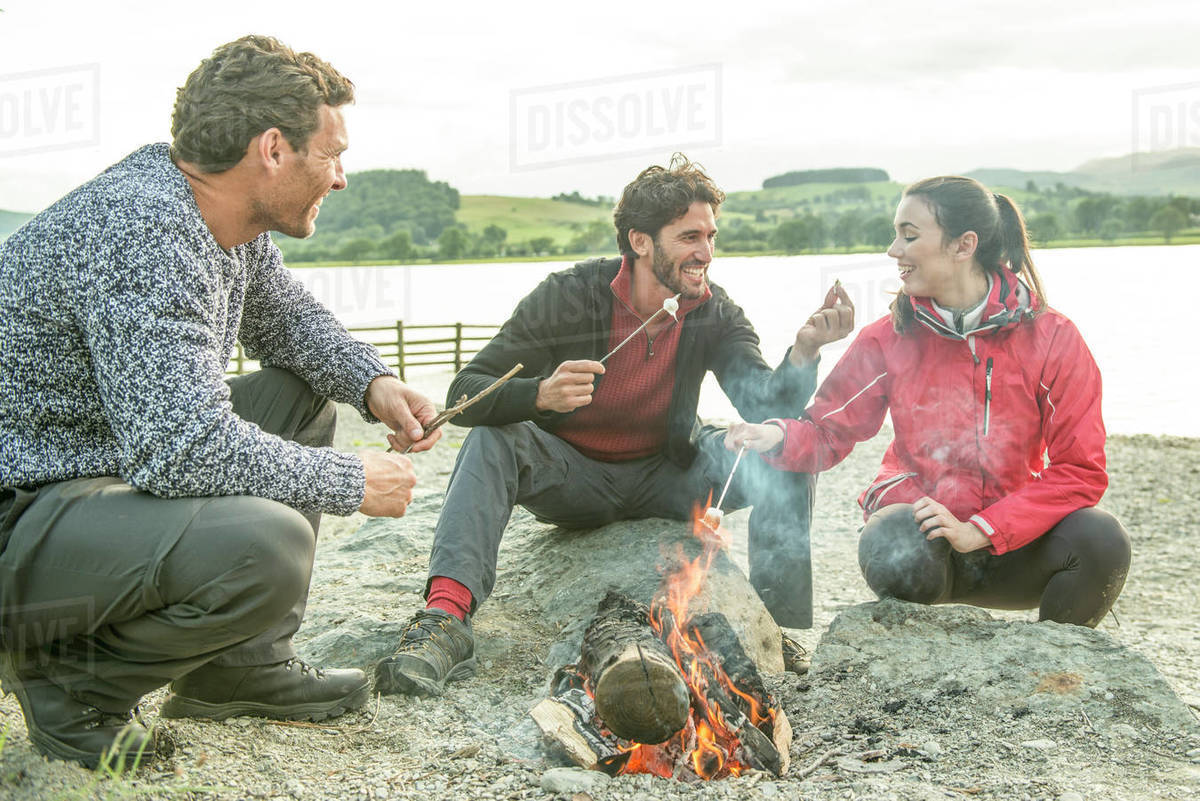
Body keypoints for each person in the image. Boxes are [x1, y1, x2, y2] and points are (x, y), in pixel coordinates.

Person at [0, 35, 440, 768]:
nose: (341, 178)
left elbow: (288, 321)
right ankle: (71, 686)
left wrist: (375, 383)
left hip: (85, 477)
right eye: (332, 154)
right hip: (19, 513)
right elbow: (180, 448)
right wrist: (350, 481)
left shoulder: (214, 215)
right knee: (266, 546)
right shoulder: (144, 226)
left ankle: (237, 665)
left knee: (298, 399)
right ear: (273, 148)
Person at [373, 154, 854, 698]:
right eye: (689, 236)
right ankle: (445, 620)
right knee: (492, 438)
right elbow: (466, 391)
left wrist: (808, 348)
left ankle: (772, 626)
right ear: (641, 241)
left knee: (783, 450)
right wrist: (540, 394)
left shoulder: (713, 310)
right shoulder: (568, 296)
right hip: (574, 480)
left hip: (669, 475)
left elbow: (767, 402)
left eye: (712, 236)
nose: (706, 252)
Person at [726, 176, 1130, 628]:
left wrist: (982, 529)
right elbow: (827, 432)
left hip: (1015, 547)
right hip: (926, 552)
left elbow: (1080, 470)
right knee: (890, 537)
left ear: (963, 246)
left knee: (1102, 540)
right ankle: (922, 650)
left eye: (909, 235)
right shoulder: (886, 338)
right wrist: (775, 434)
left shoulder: (1053, 337)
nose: (893, 250)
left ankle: (1054, 663)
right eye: (896, 234)